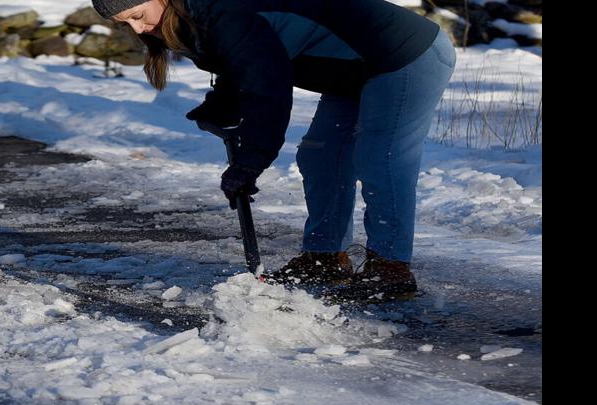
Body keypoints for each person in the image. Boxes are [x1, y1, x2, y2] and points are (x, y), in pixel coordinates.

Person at [98, 0, 455, 302]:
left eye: (137, 15)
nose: (139, 29)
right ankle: (326, 257)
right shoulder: (194, 18)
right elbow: (245, 63)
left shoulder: (223, 11)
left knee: (380, 157)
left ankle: (390, 267)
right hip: (352, 70)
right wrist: (223, 102)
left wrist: (250, 161)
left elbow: (267, 87)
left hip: (402, 54)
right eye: (126, 23)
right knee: (319, 157)